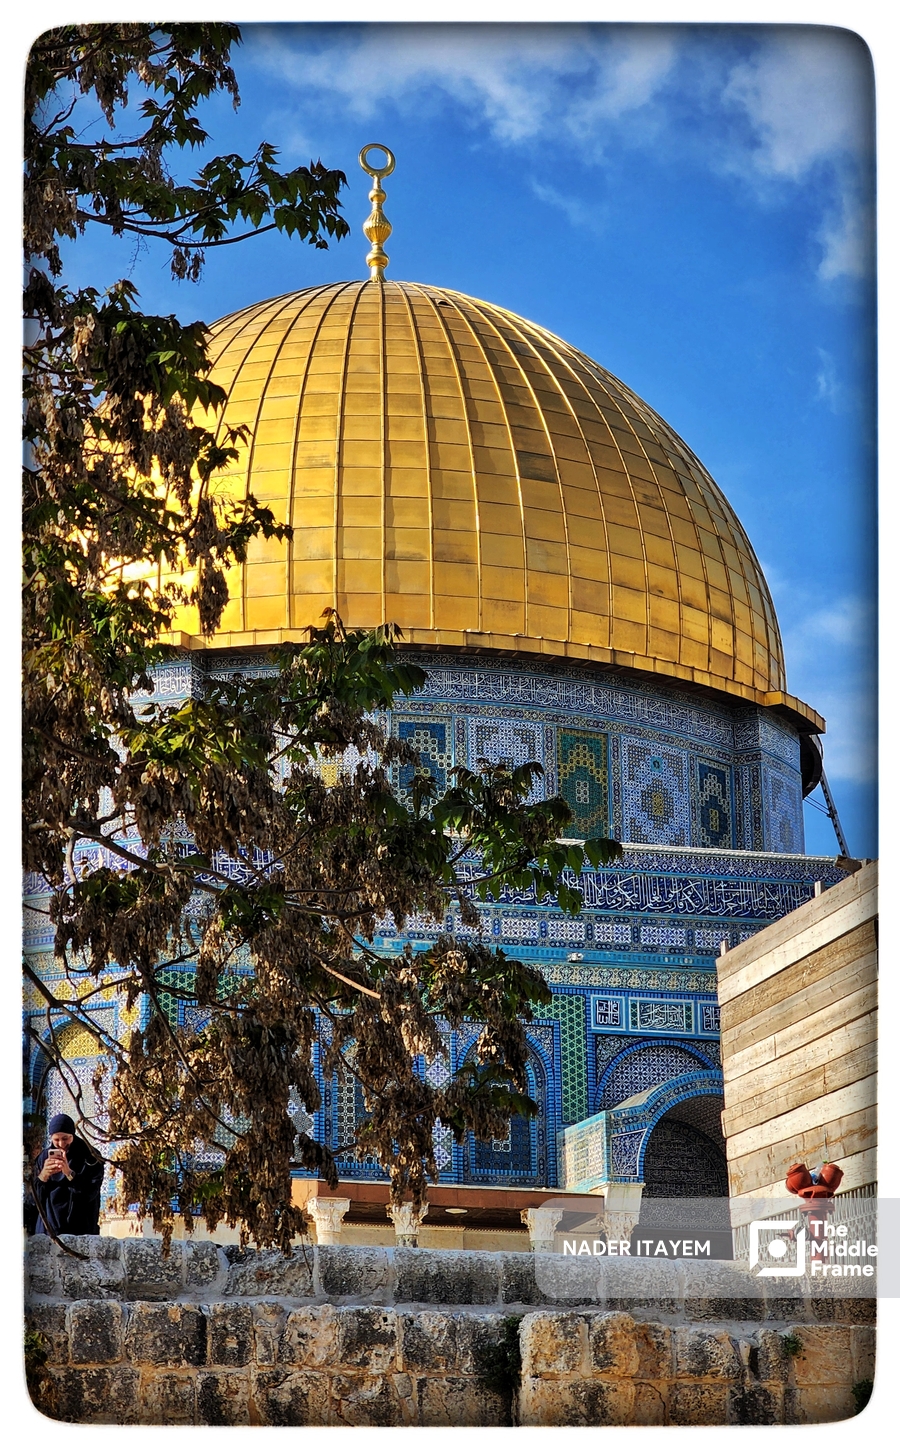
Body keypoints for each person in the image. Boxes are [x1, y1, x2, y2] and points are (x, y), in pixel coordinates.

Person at [33, 1113, 104, 1237]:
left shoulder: (90, 1157)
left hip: (81, 1229)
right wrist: (43, 1176)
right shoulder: (43, 1159)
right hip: (49, 1230)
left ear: (72, 1135)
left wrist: (69, 1173)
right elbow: (34, 1199)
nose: (61, 1144)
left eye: (65, 1138)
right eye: (56, 1140)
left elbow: (91, 1192)